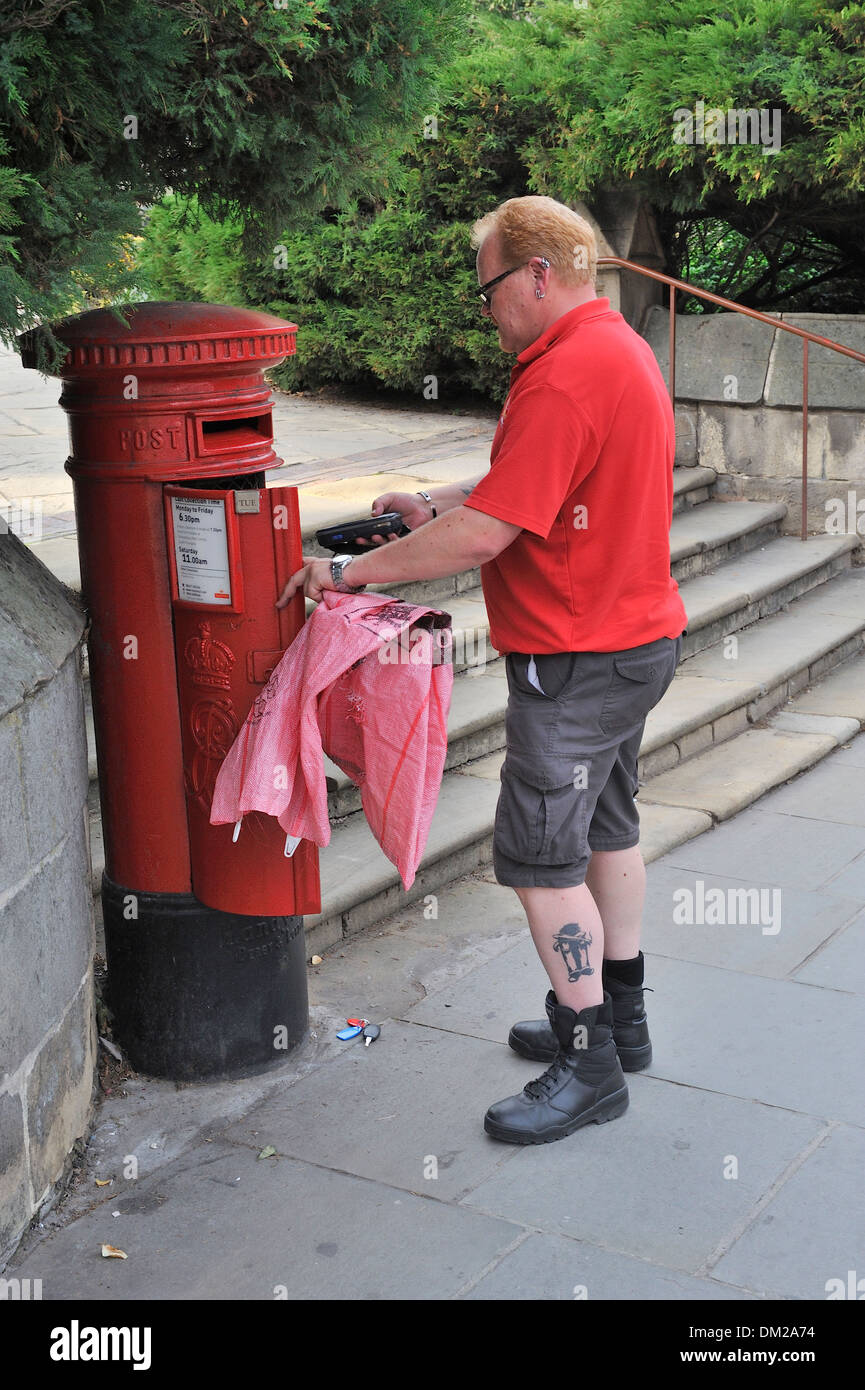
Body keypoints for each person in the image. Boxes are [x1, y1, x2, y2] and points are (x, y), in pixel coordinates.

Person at [278, 195, 688, 1145]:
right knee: (607, 830)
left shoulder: (561, 374)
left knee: (541, 861)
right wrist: (428, 499)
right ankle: (617, 1020)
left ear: (538, 276)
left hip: (574, 657)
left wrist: (346, 570)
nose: (486, 307)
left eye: (490, 288)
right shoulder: (613, 349)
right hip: (634, 645)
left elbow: (490, 532)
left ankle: (587, 1063)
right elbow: (526, 487)